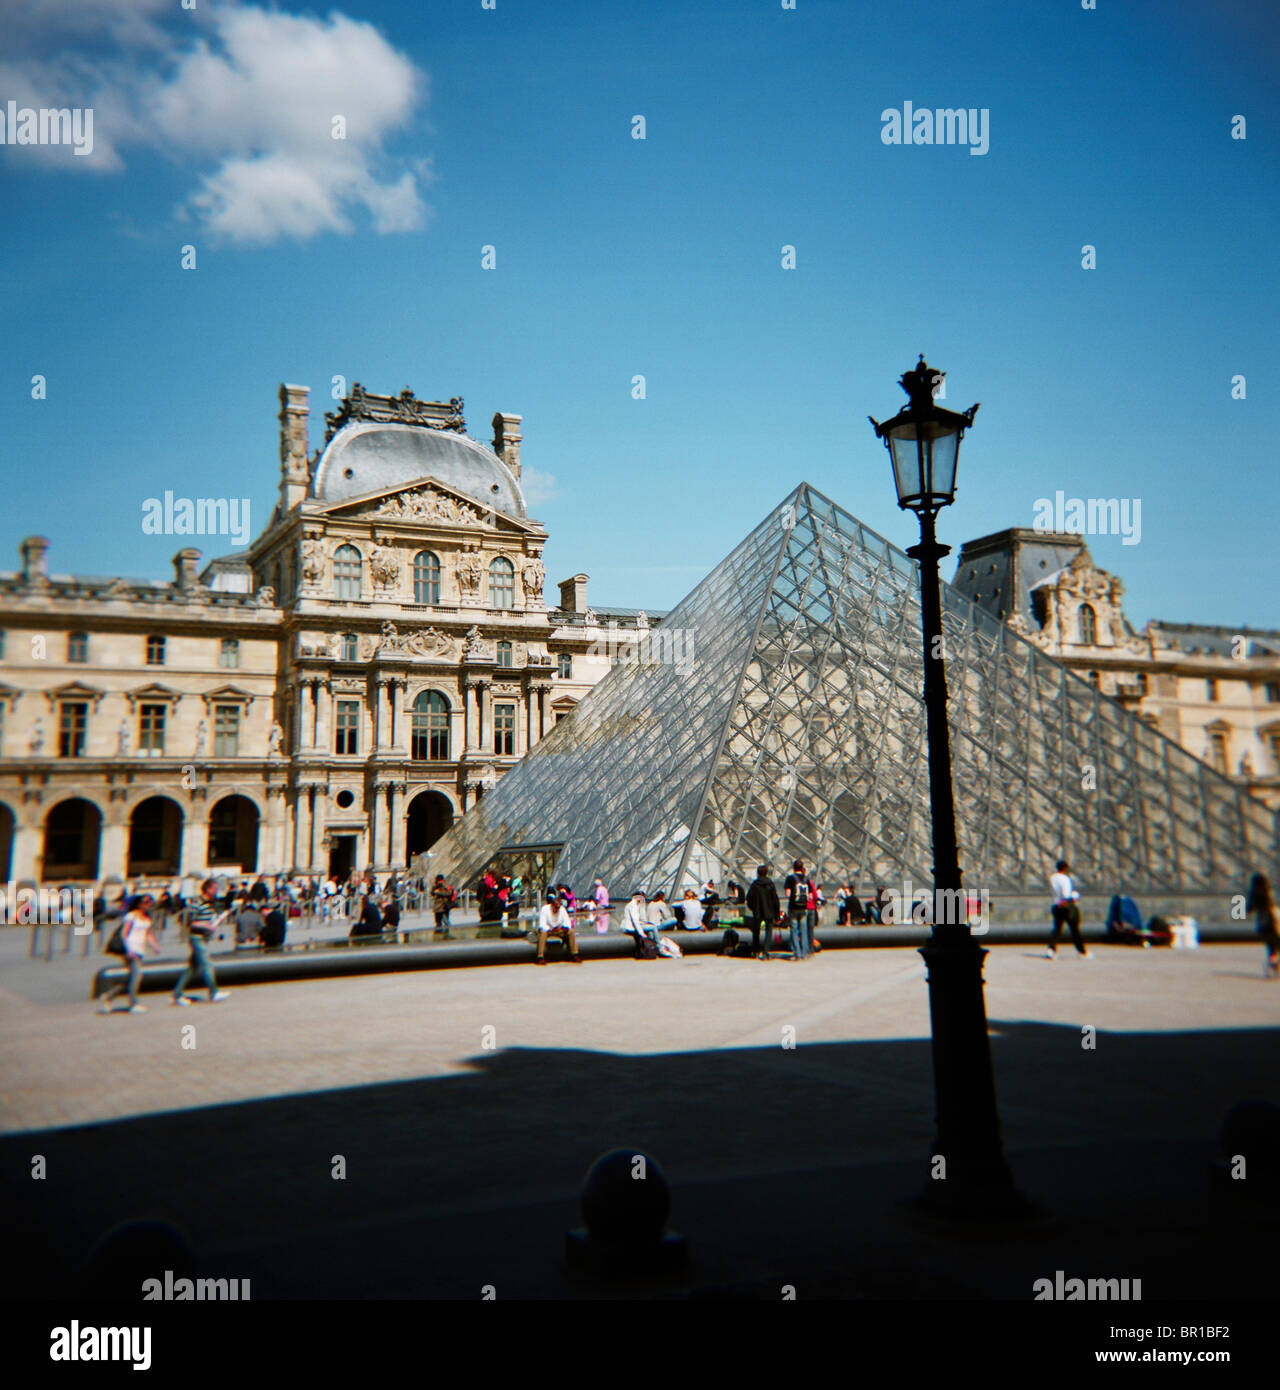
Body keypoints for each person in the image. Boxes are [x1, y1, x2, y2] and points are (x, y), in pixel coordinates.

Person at [173, 878, 231, 1006]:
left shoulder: (210, 903)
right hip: (196, 937)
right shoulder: (197, 903)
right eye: (215, 889)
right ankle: (214, 992)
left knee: (192, 968)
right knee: (207, 965)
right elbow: (191, 922)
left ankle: (177, 994)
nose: (216, 891)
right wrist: (207, 926)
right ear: (208, 889)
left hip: (203, 938)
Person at [99, 895, 160, 1014]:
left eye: (150, 902)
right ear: (139, 903)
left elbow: (148, 933)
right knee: (137, 976)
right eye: (146, 902)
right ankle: (133, 1004)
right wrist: (129, 949)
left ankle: (109, 996)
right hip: (130, 949)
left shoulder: (147, 918)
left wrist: (155, 946)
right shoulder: (131, 916)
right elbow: (124, 934)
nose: (148, 905)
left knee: (131, 977)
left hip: (140, 949)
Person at [1046, 859, 1090, 958]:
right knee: (1075, 930)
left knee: (1057, 929)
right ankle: (1082, 952)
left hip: (1056, 905)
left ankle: (1051, 950)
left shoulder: (1053, 878)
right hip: (1066, 906)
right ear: (1065, 868)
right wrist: (1075, 896)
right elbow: (1066, 894)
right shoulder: (1065, 879)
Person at [1246, 872, 1279, 979]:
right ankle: (1273, 964)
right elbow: (1272, 910)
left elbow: (1249, 910)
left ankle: (1272, 965)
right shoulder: (1267, 894)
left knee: (1271, 946)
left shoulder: (1253, 895)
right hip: (1271, 922)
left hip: (1262, 924)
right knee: (1276, 945)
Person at [536, 889, 582, 964]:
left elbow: (567, 922)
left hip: (559, 930)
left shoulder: (562, 909)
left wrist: (564, 928)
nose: (557, 909)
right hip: (548, 931)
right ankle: (540, 956)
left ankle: (574, 954)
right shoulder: (545, 909)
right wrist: (549, 929)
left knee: (571, 932)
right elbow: (542, 924)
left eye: (558, 907)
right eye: (556, 907)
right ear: (552, 905)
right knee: (543, 932)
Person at [746, 865, 780, 960]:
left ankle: (756, 951)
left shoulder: (755, 885)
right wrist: (777, 913)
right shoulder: (770, 884)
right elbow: (775, 899)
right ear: (766, 873)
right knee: (769, 932)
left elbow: (749, 898)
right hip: (769, 911)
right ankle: (766, 952)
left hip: (757, 912)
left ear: (758, 873)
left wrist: (753, 908)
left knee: (756, 932)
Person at [784, 860, 810, 960]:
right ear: (802, 867)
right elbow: (810, 895)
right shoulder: (806, 878)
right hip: (804, 908)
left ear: (793, 868)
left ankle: (796, 953)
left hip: (793, 907)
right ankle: (804, 953)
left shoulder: (790, 878)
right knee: (804, 930)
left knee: (794, 930)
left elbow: (787, 894)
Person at [622, 890, 659, 956]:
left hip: (630, 926)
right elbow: (635, 921)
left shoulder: (633, 904)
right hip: (631, 928)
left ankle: (651, 948)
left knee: (650, 931)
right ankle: (658, 946)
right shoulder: (633, 906)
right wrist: (642, 934)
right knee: (654, 927)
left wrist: (644, 923)